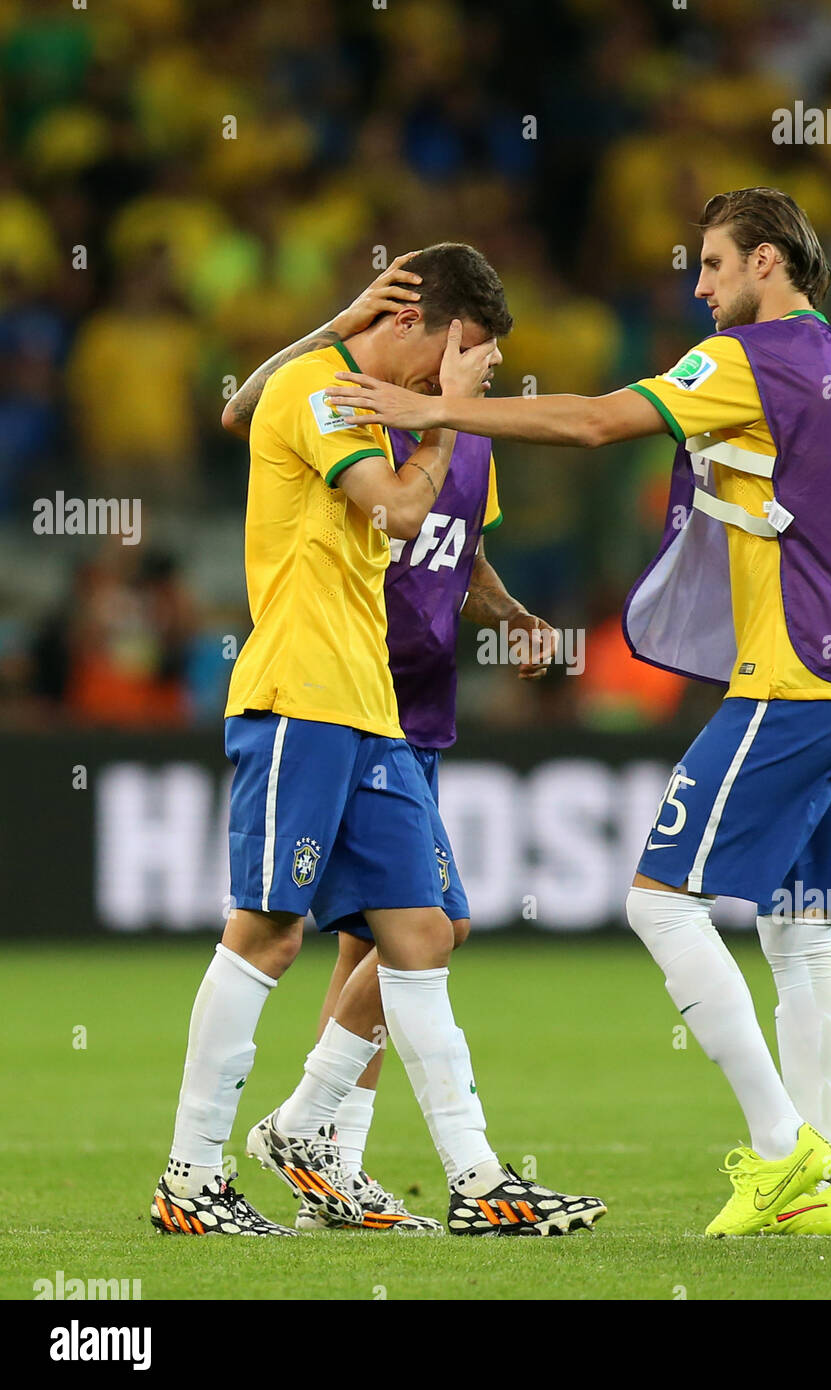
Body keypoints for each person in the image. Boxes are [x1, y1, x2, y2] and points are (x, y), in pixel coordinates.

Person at [325, 189, 831, 1238]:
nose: (698, 287)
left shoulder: (750, 360)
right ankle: (815, 1192)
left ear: (770, 264)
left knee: (659, 903)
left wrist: (437, 412)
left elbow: (598, 421)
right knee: (800, 938)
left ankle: (786, 1155)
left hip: (798, 685)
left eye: (714, 266)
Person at [151, 243, 605, 1238]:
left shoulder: (364, 399)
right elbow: (402, 511)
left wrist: (511, 608)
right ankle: (189, 1179)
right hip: (301, 695)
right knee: (269, 932)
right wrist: (436, 410)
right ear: (410, 324)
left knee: (424, 932)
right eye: (460, 353)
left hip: (376, 709)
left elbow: (449, 540)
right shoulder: (324, 391)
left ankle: (476, 1180)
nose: (466, 375)